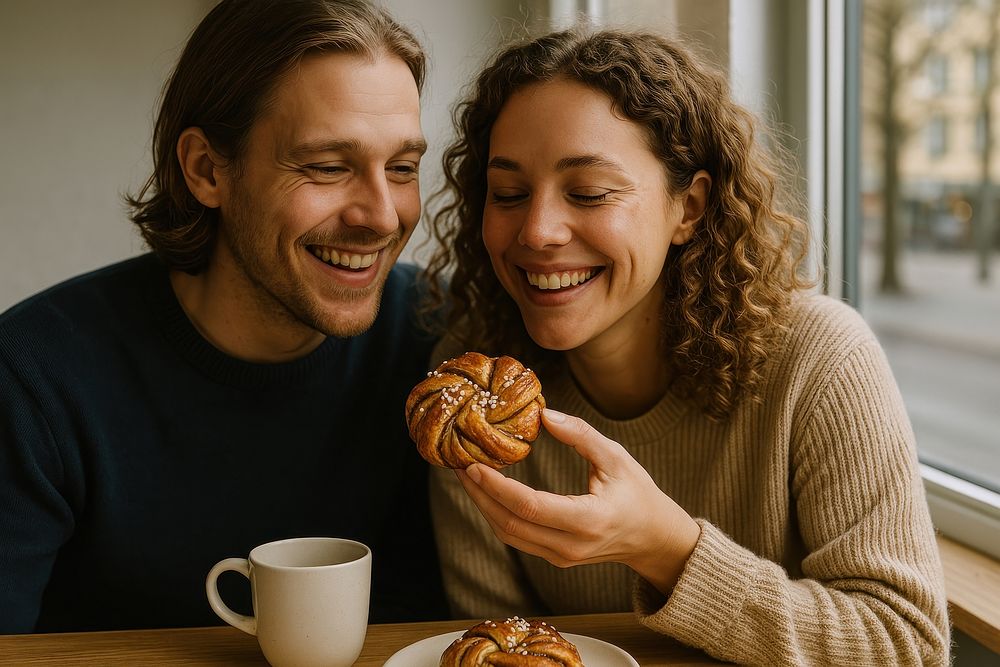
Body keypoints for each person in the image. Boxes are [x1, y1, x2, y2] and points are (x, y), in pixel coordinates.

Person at [423, 28, 950, 665]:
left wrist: (665, 548)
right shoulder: (469, 401)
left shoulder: (820, 361)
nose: (537, 230)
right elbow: (489, 644)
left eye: (589, 193)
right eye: (507, 194)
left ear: (689, 208)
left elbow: (910, 646)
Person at [0, 0, 448, 633]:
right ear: (207, 170)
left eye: (402, 168)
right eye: (326, 167)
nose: (381, 214)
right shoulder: (32, 379)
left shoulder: (445, 342)